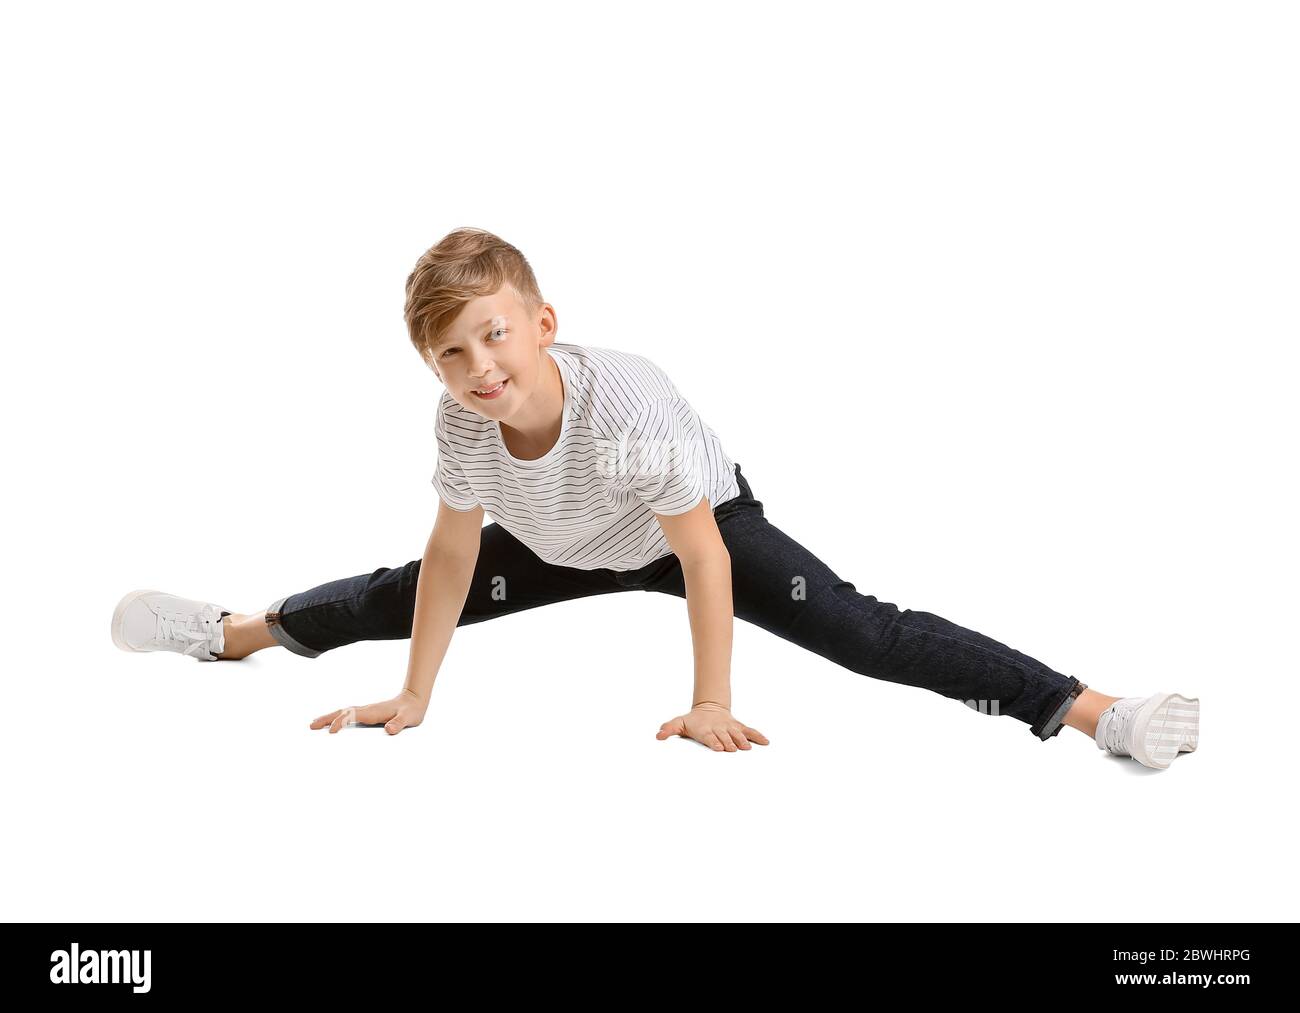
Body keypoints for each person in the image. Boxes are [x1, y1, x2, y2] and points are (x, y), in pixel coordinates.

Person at [110, 228, 1200, 768]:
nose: (480, 366)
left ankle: (1096, 711)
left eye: (495, 334)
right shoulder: (459, 423)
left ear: (542, 322)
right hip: (564, 534)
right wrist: (415, 692)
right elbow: (446, 561)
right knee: (393, 590)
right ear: (434, 368)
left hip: (689, 526)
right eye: (452, 353)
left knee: (863, 630)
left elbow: (703, 560)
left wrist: (710, 697)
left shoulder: (626, 405)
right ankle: (229, 633)